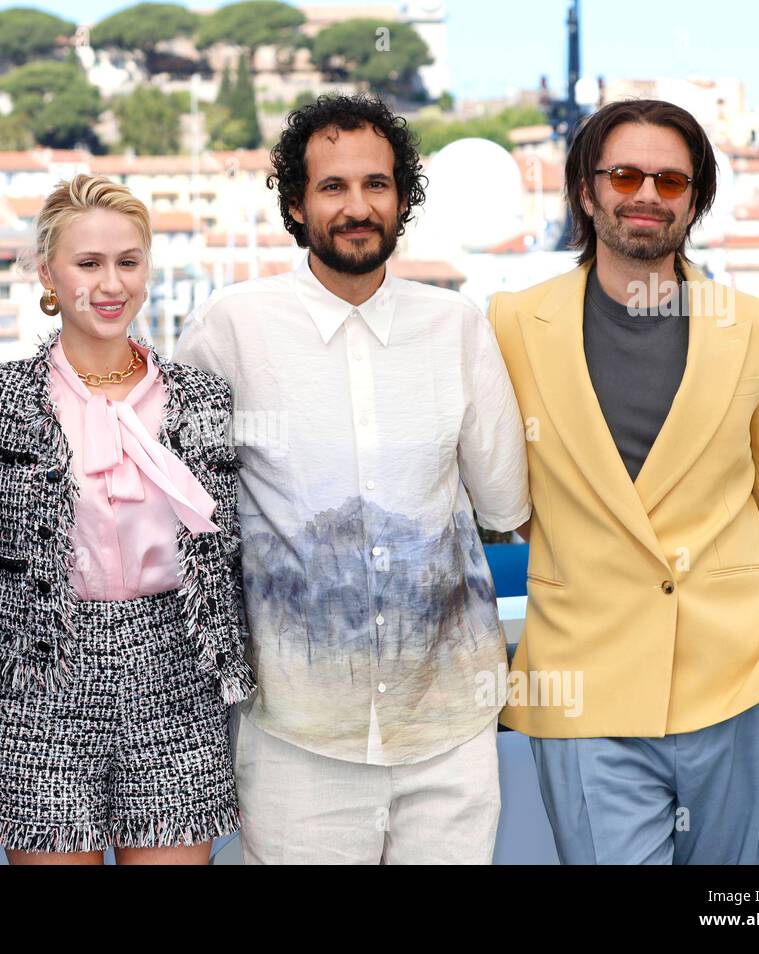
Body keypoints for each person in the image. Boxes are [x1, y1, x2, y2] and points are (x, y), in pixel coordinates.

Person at [174, 94, 531, 864]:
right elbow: (187, 521)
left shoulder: (459, 328)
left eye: (377, 184)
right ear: (297, 205)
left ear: (403, 199)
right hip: (294, 735)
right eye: (333, 187)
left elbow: (506, 501)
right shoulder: (229, 329)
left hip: (450, 730)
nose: (357, 206)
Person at [488, 98, 759, 864]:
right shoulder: (510, 324)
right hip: (584, 684)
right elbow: (482, 476)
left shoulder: (754, 325)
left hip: (741, 676)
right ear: (587, 191)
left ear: (695, 200)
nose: (647, 194)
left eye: (671, 181)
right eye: (625, 174)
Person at [0, 173, 254, 865]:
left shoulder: (203, 396)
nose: (110, 283)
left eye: (127, 262)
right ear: (47, 273)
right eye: (88, 263)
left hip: (178, 667)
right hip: (41, 675)